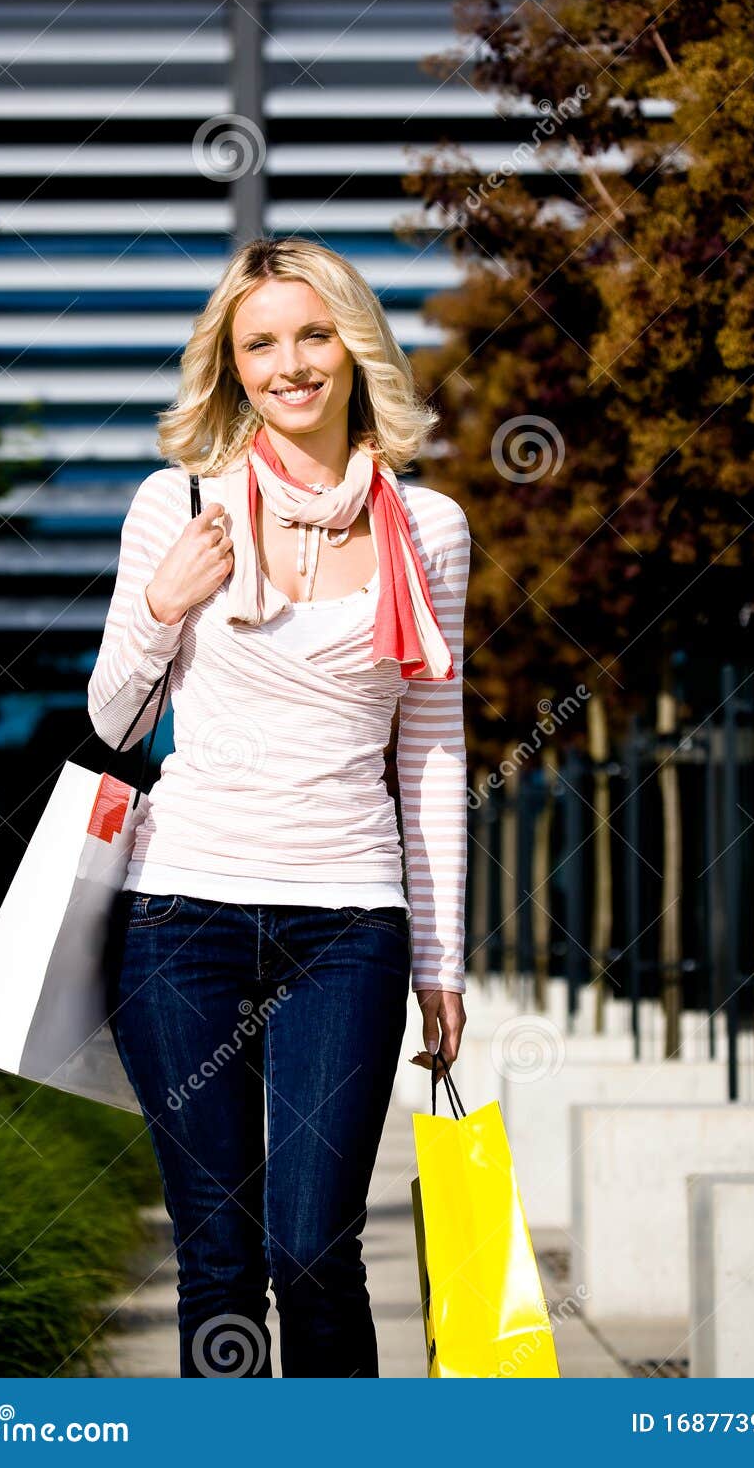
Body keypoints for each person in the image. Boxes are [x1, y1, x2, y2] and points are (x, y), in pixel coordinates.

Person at [88, 235, 470, 1378]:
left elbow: (433, 750)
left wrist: (440, 961)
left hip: (346, 924)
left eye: (313, 334)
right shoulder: (180, 504)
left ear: (354, 348)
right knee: (216, 1260)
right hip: (179, 920)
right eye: (261, 343)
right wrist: (163, 602)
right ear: (231, 366)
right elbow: (111, 718)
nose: (290, 363)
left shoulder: (427, 526)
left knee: (313, 1251)